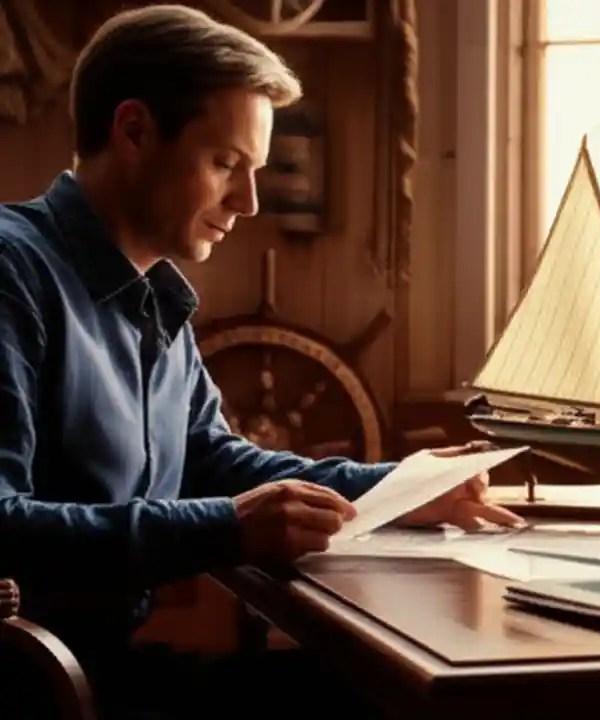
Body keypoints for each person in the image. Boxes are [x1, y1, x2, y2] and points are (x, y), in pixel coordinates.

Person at [0, 4, 522, 717]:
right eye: (225, 164)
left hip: (103, 671)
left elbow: (217, 460)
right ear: (134, 131)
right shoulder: (12, 272)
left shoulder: (153, 295)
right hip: (42, 687)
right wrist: (224, 526)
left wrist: (400, 490)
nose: (247, 202)